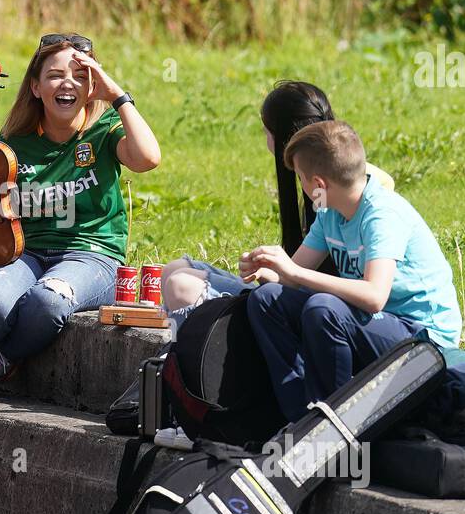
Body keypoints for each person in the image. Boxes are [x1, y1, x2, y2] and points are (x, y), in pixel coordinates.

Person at [0, 34, 161, 395]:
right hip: (28, 252)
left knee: (46, 301)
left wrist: (117, 96)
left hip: (92, 256)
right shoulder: (14, 142)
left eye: (80, 76)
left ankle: (0, 360)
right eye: (55, 75)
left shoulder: (103, 131)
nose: (67, 83)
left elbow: (148, 159)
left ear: (92, 85)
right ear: (35, 86)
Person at [240, 120, 461, 421]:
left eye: (301, 179)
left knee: (325, 308)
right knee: (266, 299)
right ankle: (299, 421)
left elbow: (374, 297)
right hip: (377, 326)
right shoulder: (330, 212)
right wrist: (263, 269)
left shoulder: (382, 215)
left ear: (318, 184)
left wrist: (293, 272)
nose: (302, 188)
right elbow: (292, 273)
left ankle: (337, 429)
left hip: (423, 339)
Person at [160, 80, 394, 330]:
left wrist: (285, 273)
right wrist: (264, 267)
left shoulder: (342, 186)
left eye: (267, 132)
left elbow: (359, 289)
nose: (265, 140)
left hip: (324, 309)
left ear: (284, 139)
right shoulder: (322, 183)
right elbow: (293, 273)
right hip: (299, 292)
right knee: (173, 271)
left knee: (181, 285)